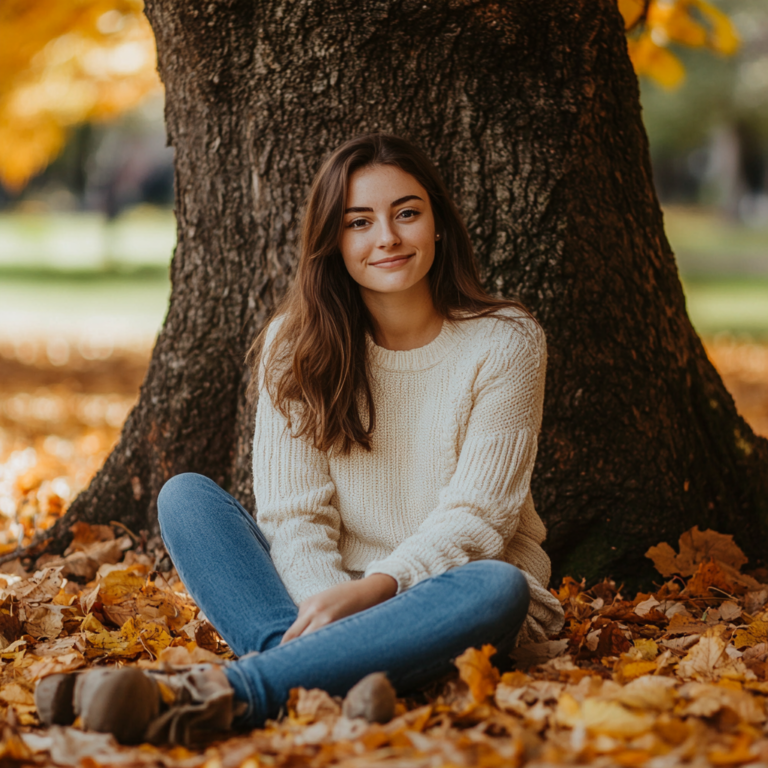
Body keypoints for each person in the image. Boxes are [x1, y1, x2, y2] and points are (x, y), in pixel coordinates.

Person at [34, 133, 564, 745]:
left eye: (407, 213)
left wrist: (371, 593)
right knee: (185, 499)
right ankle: (325, 686)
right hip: (317, 600)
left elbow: (478, 520)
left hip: (444, 593)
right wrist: (329, 605)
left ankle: (235, 690)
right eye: (358, 222)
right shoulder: (297, 344)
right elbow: (295, 519)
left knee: (495, 587)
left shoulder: (504, 341)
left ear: (438, 224)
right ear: (333, 242)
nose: (386, 237)